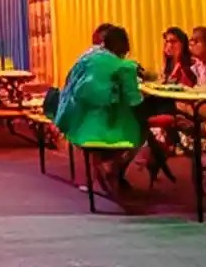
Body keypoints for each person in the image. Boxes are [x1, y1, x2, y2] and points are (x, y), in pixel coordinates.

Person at [53, 26, 144, 191]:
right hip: (117, 133)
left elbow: (69, 88)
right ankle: (115, 166)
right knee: (142, 128)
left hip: (81, 129)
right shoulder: (125, 67)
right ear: (125, 46)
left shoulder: (85, 61)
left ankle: (97, 176)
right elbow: (134, 101)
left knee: (98, 130)